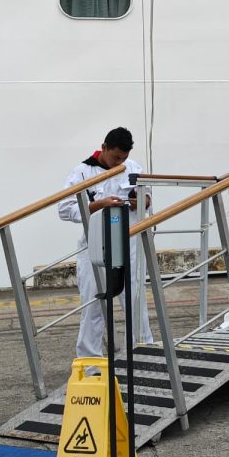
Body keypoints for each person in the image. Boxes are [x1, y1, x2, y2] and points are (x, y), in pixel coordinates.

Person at [57, 127, 153, 361]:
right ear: (104, 148)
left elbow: (148, 196)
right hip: (96, 244)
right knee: (94, 305)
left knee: (135, 300)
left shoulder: (133, 167)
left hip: (129, 242)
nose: (119, 162)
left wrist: (141, 201)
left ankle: (142, 352)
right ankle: (90, 361)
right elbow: (64, 209)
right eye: (116, 157)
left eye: (124, 158)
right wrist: (100, 205)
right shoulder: (82, 172)